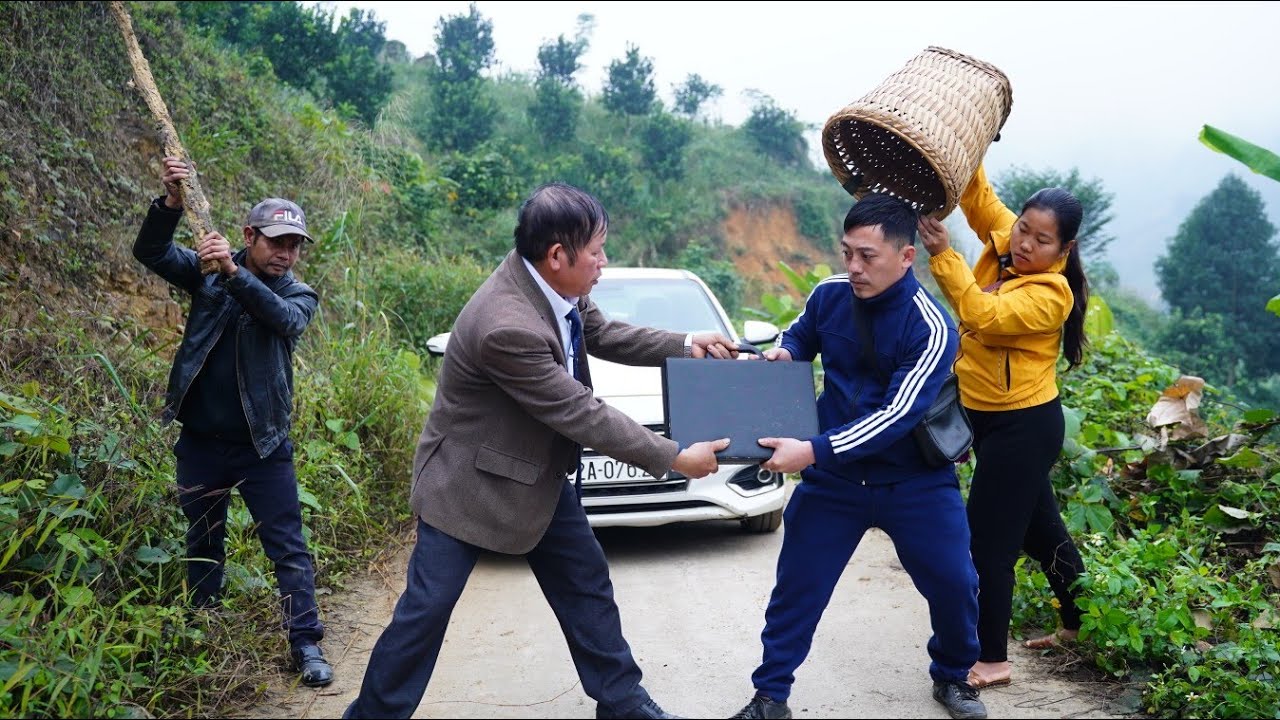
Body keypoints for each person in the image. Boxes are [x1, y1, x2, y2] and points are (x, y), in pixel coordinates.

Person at [343, 182, 739, 720]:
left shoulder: (550, 284)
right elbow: (579, 412)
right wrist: (673, 457)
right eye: (596, 251)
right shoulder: (506, 326)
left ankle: (623, 703)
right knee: (426, 610)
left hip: (538, 476)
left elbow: (599, 331)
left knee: (586, 585)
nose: (604, 261)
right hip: (467, 486)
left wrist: (683, 343)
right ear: (557, 255)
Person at [730, 193, 986, 720]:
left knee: (955, 582)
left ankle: (954, 676)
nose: (853, 267)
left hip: (914, 480)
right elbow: (799, 339)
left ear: (906, 257)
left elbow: (897, 416)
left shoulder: (931, 326)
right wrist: (784, 356)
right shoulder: (829, 295)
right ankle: (770, 696)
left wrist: (812, 451)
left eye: (867, 256)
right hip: (836, 482)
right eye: (847, 252)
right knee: (797, 587)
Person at [132, 158, 333, 686]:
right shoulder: (207, 274)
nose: (287, 253)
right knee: (202, 540)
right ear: (249, 235)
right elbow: (149, 251)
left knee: (287, 546)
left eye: (295, 244)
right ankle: (202, 632)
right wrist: (173, 203)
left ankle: (306, 644)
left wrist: (235, 271)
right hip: (200, 442)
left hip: (263, 447)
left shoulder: (296, 293)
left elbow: (283, 320)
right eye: (276, 242)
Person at [917, 162, 1090, 690]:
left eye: (1042, 240)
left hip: (1024, 427)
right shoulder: (1008, 238)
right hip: (993, 423)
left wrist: (943, 256)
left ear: (1062, 250)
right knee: (1044, 533)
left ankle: (992, 658)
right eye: (1022, 230)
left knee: (986, 547)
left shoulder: (1050, 295)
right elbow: (977, 194)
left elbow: (980, 317)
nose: (1025, 244)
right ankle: (1081, 622)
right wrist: (968, 149)